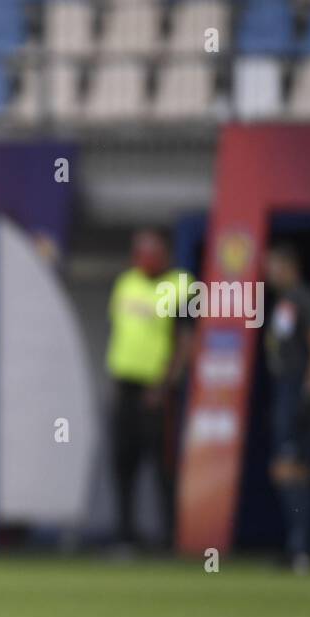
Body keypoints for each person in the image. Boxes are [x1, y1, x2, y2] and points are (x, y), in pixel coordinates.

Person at [105, 229, 192, 549]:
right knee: (123, 461)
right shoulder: (126, 282)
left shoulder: (181, 284)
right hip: (124, 384)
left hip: (158, 388)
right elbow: (118, 331)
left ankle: (171, 538)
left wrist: (167, 382)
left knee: (163, 463)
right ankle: (125, 535)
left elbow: (186, 340)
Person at [263, 243, 310, 573]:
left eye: (273, 266)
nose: (268, 272)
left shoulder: (304, 298)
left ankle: (300, 548)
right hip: (285, 389)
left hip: (296, 391)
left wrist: (308, 394)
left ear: (289, 266)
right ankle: (297, 547)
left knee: (289, 468)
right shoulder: (284, 302)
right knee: (293, 470)